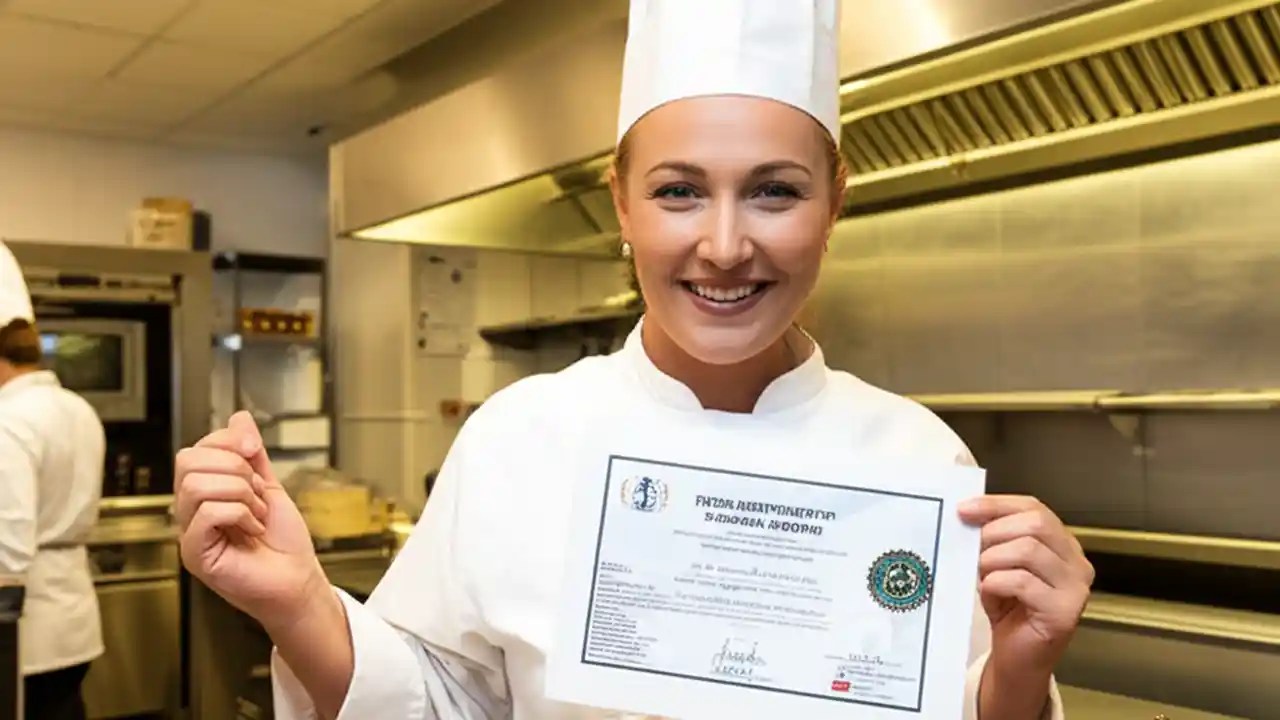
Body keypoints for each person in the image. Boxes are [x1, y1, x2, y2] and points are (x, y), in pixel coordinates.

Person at [175, 2, 1093, 718]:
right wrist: (297, 602)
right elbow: (437, 707)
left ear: (835, 201)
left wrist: (1019, 670)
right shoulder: (520, 438)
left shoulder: (915, 458)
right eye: (679, 192)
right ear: (621, 203)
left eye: (774, 190)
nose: (726, 245)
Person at [0, 240, 106, 720]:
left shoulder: (8, 420)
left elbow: (9, 546)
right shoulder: (77, 407)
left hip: (30, 627)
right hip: (75, 618)